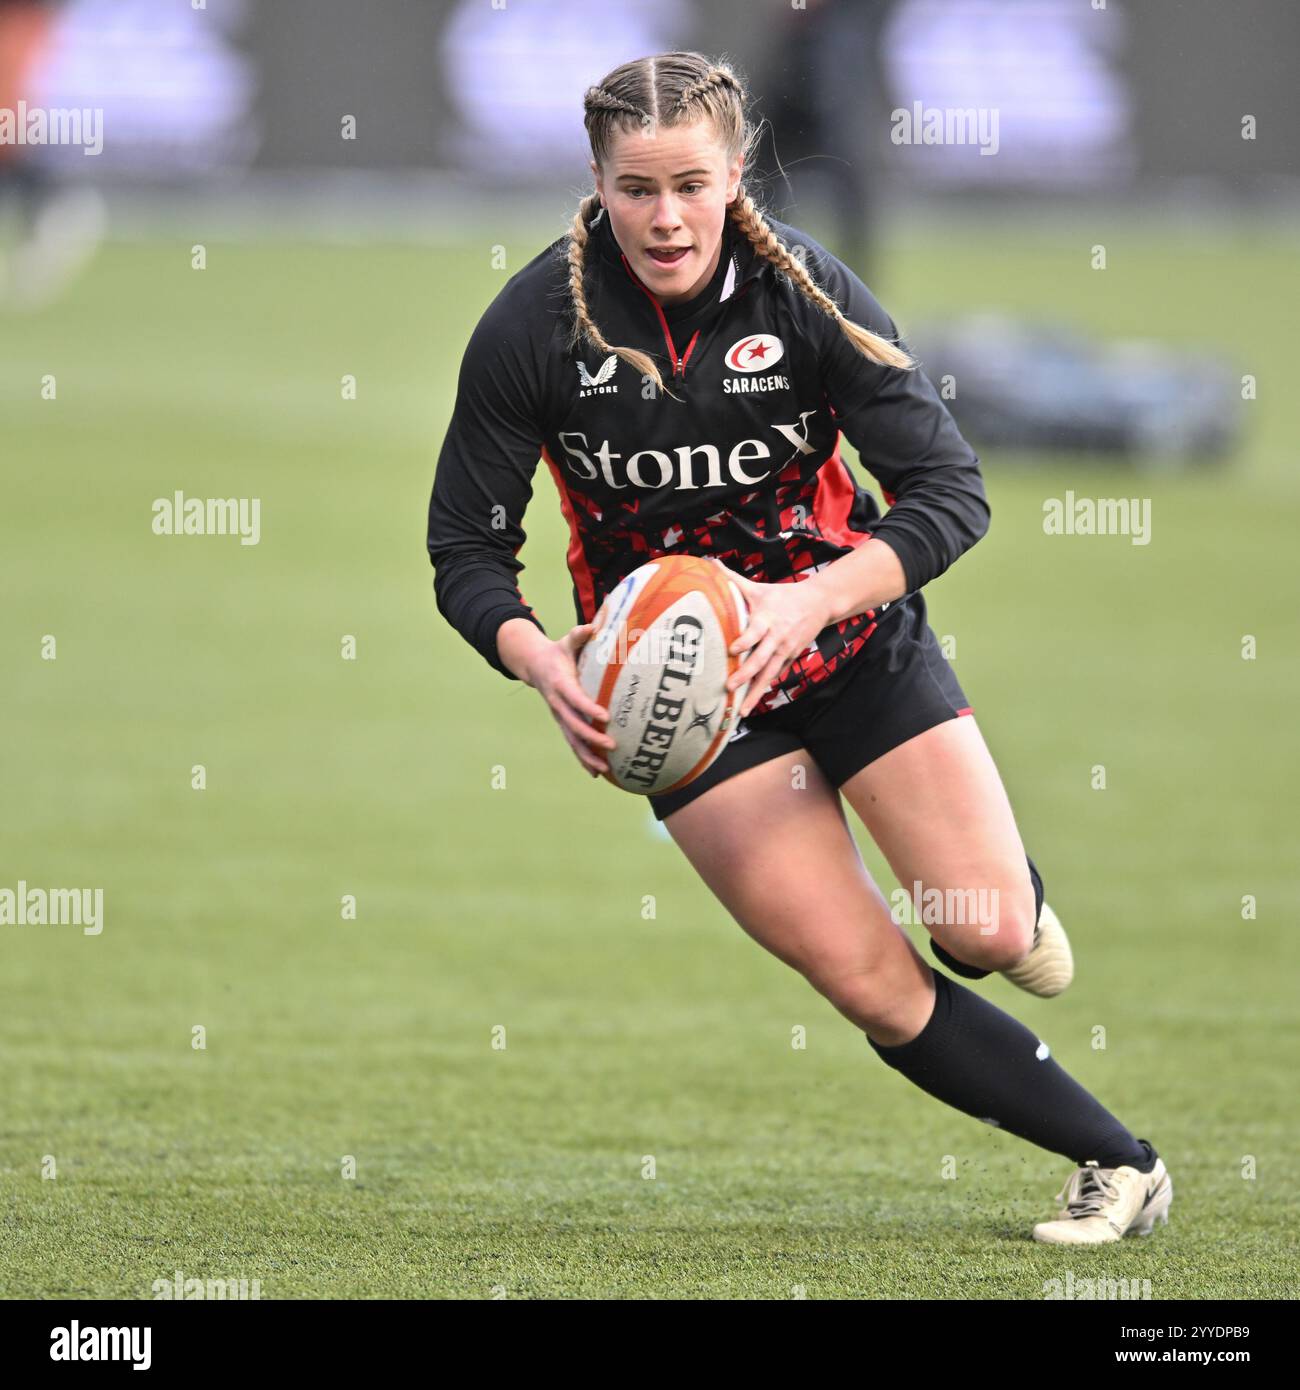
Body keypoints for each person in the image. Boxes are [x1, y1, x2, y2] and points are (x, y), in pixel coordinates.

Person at [426, 51, 1171, 1244]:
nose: (665, 217)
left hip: (850, 644)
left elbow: (946, 491)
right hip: (688, 711)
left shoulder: (807, 297)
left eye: (690, 184)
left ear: (735, 176)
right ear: (597, 185)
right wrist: (538, 657)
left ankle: (1007, 904)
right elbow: (464, 545)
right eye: (634, 188)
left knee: (977, 931)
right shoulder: (534, 325)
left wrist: (811, 600)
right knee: (866, 977)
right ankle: (1116, 1161)